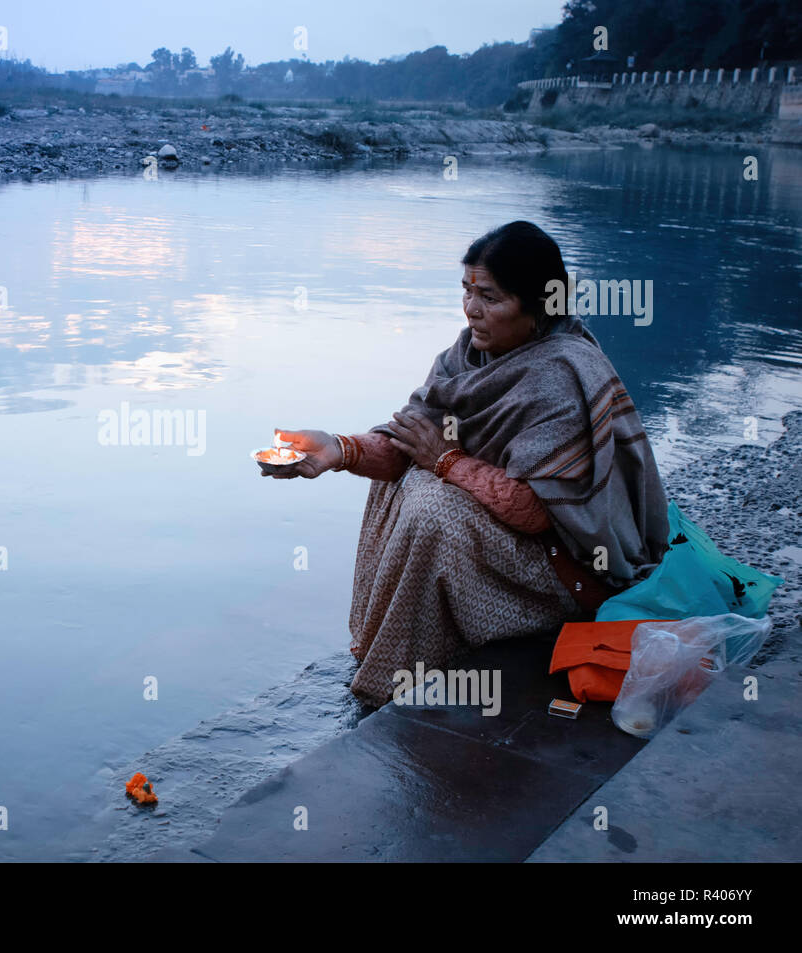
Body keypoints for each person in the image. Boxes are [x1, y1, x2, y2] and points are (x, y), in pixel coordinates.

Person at [267, 221, 669, 706]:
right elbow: (410, 439)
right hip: (512, 536)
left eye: (491, 298)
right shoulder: (466, 356)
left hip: (568, 568)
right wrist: (337, 450)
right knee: (407, 479)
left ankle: (398, 678)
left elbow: (540, 511)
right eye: (467, 290)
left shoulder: (561, 375)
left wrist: (449, 460)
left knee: (436, 509)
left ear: (539, 304)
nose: (471, 309)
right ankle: (388, 651)